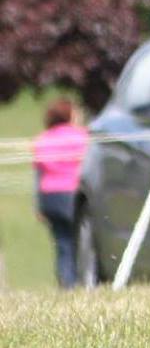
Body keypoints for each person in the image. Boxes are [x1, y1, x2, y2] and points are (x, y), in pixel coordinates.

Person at [32, 98, 90, 289]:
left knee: (62, 242)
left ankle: (66, 282)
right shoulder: (81, 137)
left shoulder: (42, 140)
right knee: (80, 238)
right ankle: (83, 280)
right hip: (71, 194)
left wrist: (38, 205)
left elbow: (38, 175)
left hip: (49, 197)